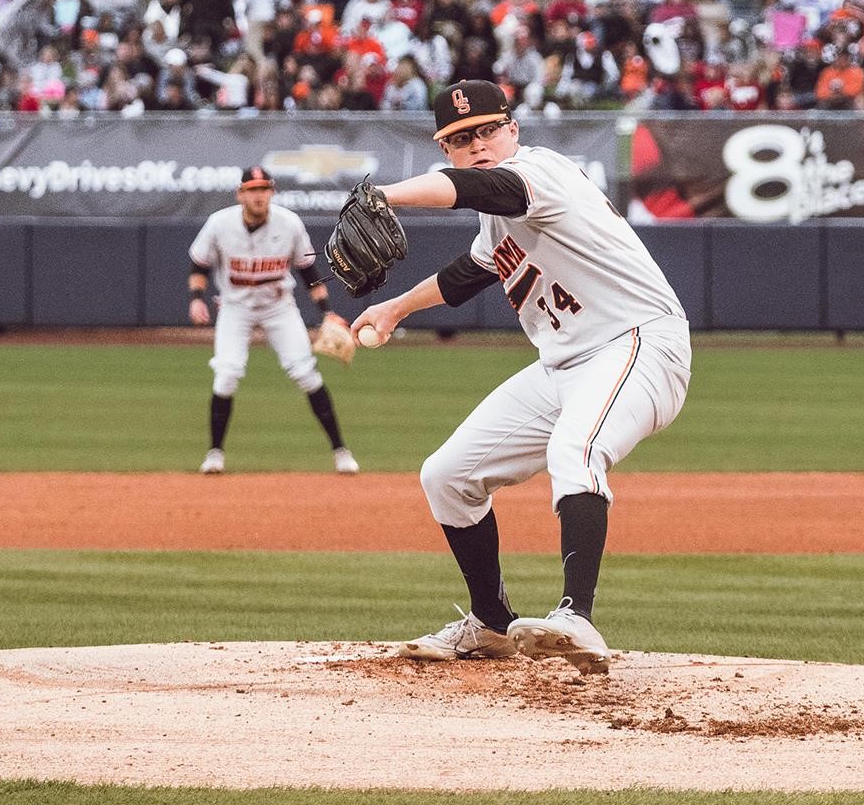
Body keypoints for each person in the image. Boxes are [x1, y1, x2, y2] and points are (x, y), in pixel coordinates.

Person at [351, 79, 691, 675]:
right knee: (448, 475)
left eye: (486, 130)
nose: (477, 145)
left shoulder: (540, 172)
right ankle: (490, 623)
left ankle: (576, 615)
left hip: (638, 343)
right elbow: (469, 272)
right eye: (460, 139)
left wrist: (389, 194)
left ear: (512, 130)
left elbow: (479, 186)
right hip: (563, 365)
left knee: (576, 449)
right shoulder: (497, 219)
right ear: (445, 149)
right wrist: (394, 308)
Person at [187, 167, 358, 476]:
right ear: (241, 195)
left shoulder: (289, 224)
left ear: (272, 192)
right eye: (252, 189)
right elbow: (198, 265)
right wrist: (196, 299)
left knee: (306, 373)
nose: (259, 195)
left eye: (264, 189)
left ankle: (341, 451)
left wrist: (326, 311)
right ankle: (215, 454)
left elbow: (308, 272)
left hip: (279, 306)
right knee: (226, 375)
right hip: (235, 306)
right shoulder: (219, 224)